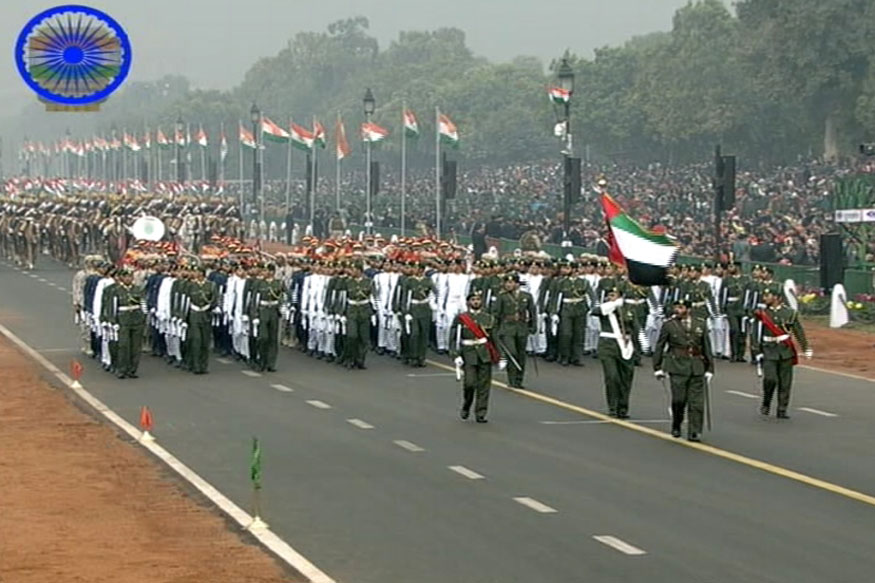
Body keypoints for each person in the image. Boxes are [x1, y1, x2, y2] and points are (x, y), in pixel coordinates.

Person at [653, 298, 714, 441]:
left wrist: (710, 368)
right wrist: (657, 367)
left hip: (696, 366)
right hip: (677, 366)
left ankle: (694, 431)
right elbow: (660, 346)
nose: (677, 310)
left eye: (681, 307)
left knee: (696, 402)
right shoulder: (669, 325)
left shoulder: (700, 323)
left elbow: (706, 347)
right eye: (676, 307)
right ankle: (676, 423)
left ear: (688, 309)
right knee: (679, 400)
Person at [751, 285, 812, 419]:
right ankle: (766, 401)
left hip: (785, 350)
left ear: (777, 298)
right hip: (768, 348)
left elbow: (798, 331)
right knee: (770, 379)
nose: (765, 298)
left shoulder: (789, 313)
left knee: (785, 382)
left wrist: (806, 347)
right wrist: (756, 349)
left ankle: (782, 409)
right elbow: (755, 332)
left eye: (768, 296)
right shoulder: (761, 313)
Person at [450, 291, 498, 423]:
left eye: (478, 299)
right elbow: (453, 338)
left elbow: (495, 339)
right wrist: (455, 354)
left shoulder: (488, 318)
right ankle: (467, 404)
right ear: (468, 302)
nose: (476, 302)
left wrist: (501, 357)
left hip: (484, 354)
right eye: (473, 300)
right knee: (469, 383)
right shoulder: (461, 318)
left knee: (484, 386)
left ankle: (480, 413)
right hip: (468, 353)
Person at [591, 285, 639, 418]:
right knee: (612, 377)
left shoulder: (628, 309)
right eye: (610, 295)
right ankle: (612, 407)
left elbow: (636, 328)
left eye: (615, 295)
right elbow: (594, 311)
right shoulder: (605, 308)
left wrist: (639, 349)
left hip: (625, 346)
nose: (612, 297)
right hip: (608, 346)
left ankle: (623, 408)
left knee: (626, 378)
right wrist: (613, 305)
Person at [491, 273, 537, 388]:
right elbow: (496, 314)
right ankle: (511, 379)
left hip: (522, 327)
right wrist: (494, 329)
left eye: (511, 282)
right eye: (507, 282)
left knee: (521, 354)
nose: (508, 285)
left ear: (517, 284)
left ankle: (519, 380)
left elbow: (532, 312)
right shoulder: (502, 296)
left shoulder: (527, 296)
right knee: (511, 353)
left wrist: (533, 326)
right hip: (507, 328)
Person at [112, 269, 147, 379]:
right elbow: (113, 307)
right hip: (123, 320)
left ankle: (132, 369)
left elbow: (143, 304)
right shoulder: (117, 290)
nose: (128, 279)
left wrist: (143, 317)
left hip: (136, 319)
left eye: (130, 277)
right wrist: (113, 321)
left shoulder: (137, 289)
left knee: (135, 346)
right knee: (123, 346)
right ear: (122, 278)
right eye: (126, 277)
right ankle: (122, 369)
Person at [185, 266, 218, 375]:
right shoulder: (191, 286)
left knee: (205, 341)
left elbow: (215, 299)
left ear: (202, 274)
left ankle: (203, 365)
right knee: (196, 340)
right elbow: (186, 300)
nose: (196, 274)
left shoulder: (211, 285)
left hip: (206, 315)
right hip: (194, 315)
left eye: (198, 272)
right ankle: (195, 365)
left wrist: (209, 307)